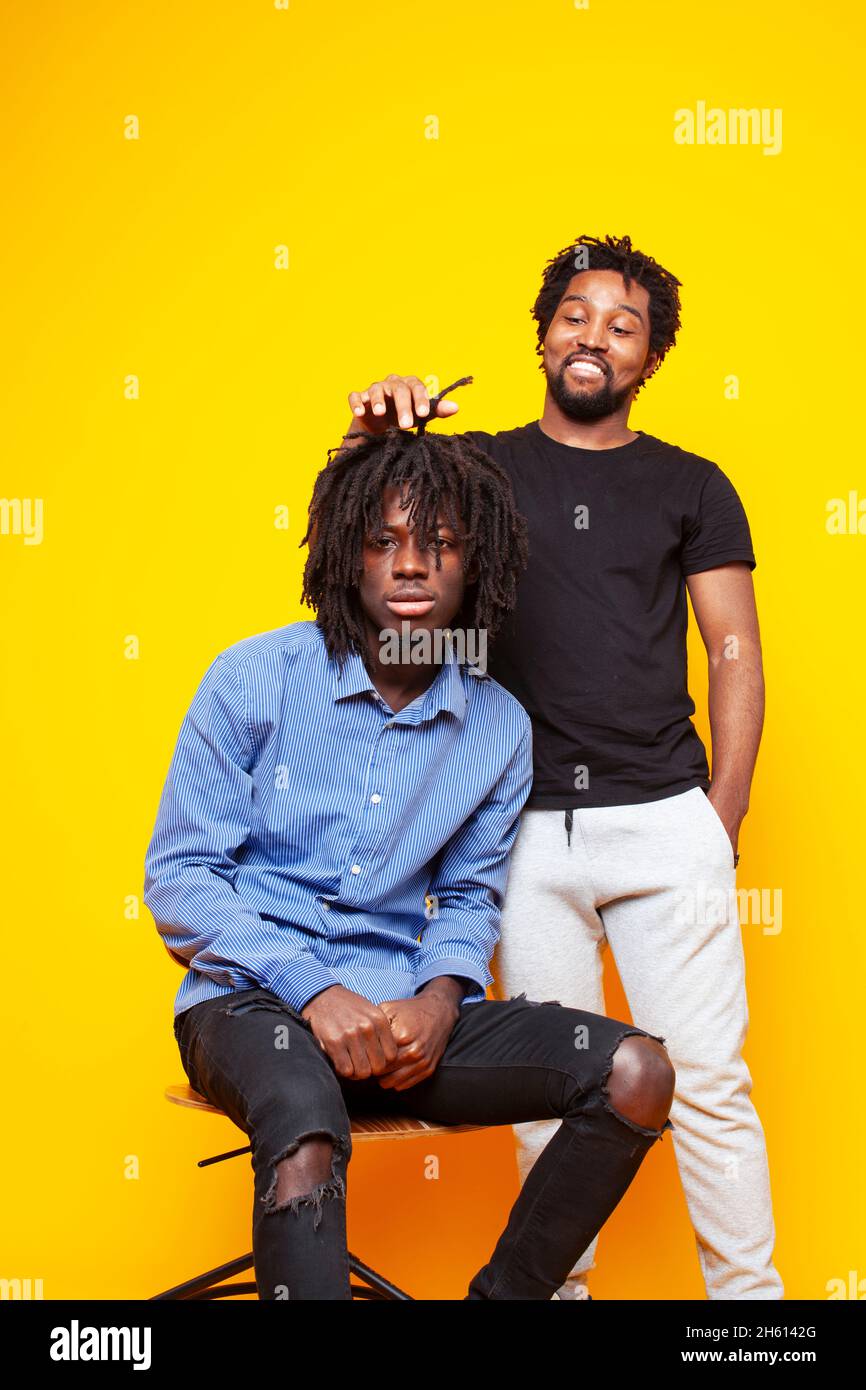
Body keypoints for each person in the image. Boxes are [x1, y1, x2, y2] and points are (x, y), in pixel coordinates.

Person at [143, 390, 675, 1301]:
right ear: (347, 553)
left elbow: (468, 896)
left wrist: (437, 1001)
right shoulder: (253, 677)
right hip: (246, 1008)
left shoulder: (498, 726)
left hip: (402, 1023)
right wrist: (315, 991)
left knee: (636, 1071)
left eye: (441, 543)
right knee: (308, 1124)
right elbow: (181, 878)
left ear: (481, 565)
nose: (412, 567)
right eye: (384, 541)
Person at [341, 234, 783, 1301]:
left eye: (621, 326)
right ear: (543, 334)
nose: (594, 336)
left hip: (663, 818)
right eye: (576, 315)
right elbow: (375, 572)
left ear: (647, 359)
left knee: (709, 1083)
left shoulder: (689, 483)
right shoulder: (478, 467)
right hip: (521, 834)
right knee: (552, 1092)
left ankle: (751, 1313)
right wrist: (364, 438)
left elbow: (731, 649)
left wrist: (716, 818)